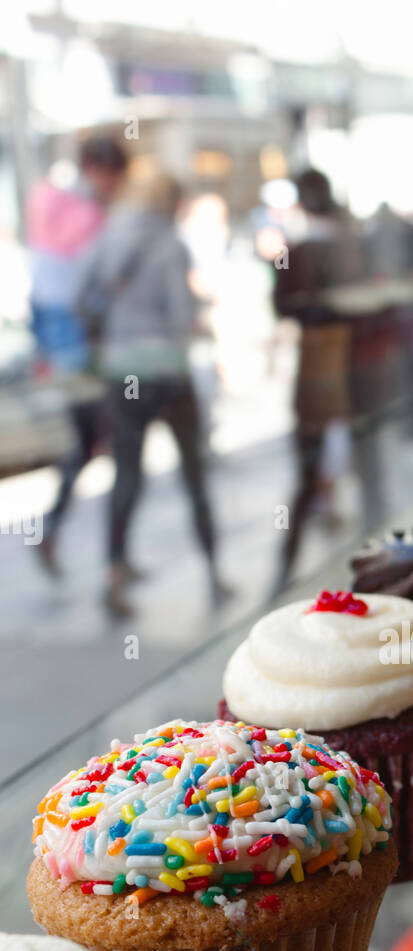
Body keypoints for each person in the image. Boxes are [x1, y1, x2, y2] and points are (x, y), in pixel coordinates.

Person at [76, 171, 230, 617]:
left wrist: (113, 334)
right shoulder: (171, 244)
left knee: (126, 475)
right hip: (167, 372)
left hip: (123, 370)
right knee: (194, 473)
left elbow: (79, 298)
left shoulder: (106, 237)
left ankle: (114, 575)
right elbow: (181, 314)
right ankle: (214, 574)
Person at [26, 136, 129, 573]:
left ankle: (75, 540)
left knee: (94, 442)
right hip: (82, 346)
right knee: (106, 441)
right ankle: (109, 559)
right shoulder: (87, 216)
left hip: (61, 342)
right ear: (99, 170)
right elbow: (95, 291)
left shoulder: (47, 199)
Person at [271, 168, 362, 589]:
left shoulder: (305, 248)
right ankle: (285, 567)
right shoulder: (347, 243)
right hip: (343, 360)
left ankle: (285, 568)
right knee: (336, 461)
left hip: (332, 359)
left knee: (313, 465)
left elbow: (283, 305)